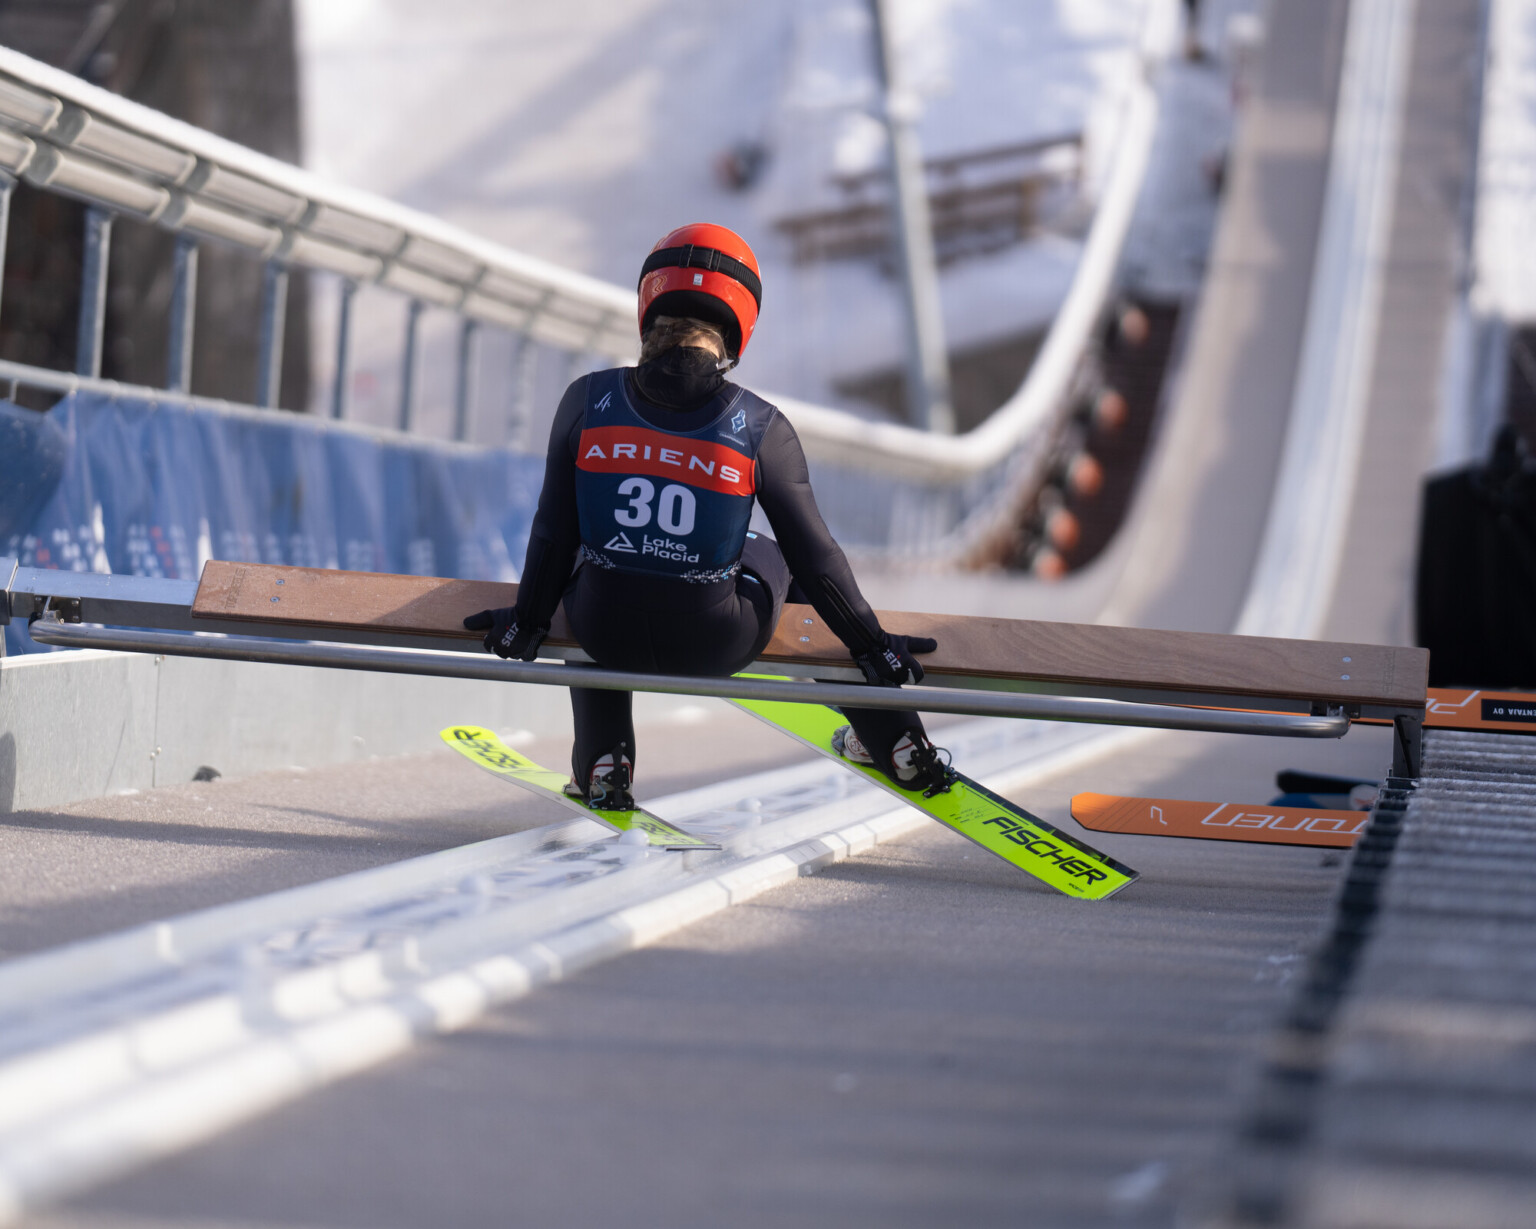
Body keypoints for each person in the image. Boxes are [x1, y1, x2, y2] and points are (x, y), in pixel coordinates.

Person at [465, 223, 952, 809]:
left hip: (604, 630)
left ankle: (603, 762)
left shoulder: (585, 400)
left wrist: (527, 620)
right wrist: (875, 646)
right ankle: (897, 743)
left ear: (648, 303)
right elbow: (817, 558)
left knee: (588, 556)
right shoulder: (762, 426)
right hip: (717, 641)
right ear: (740, 321)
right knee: (779, 558)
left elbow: (552, 531)